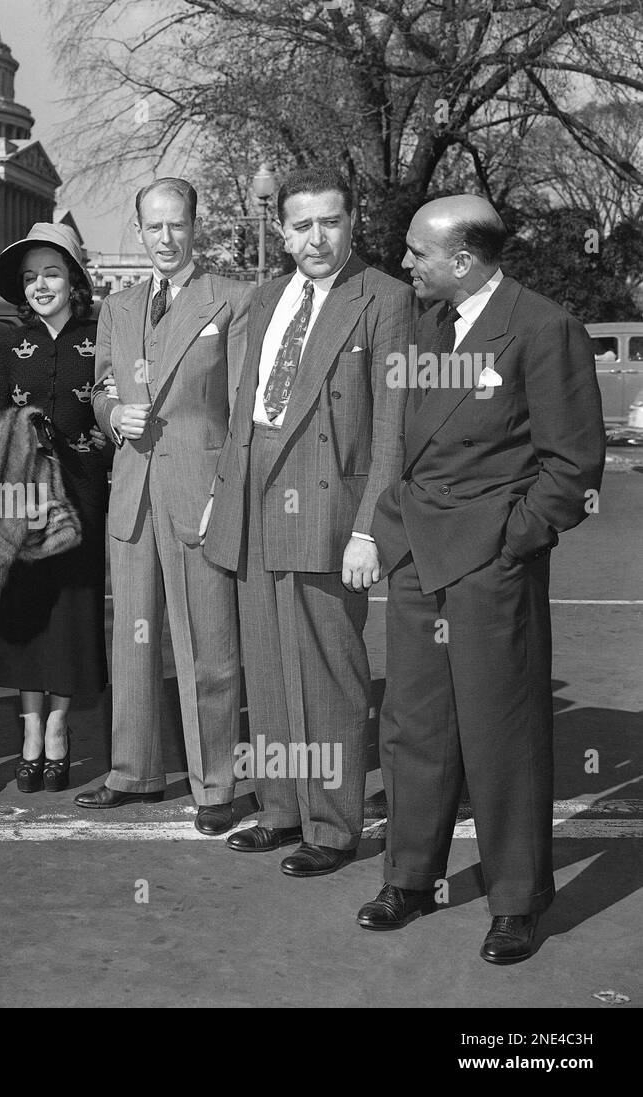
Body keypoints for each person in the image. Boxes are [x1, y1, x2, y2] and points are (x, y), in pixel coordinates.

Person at [358, 195, 605, 964]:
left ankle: (517, 899)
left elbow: (572, 467)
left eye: (417, 253)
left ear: (463, 260)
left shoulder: (544, 328)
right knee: (413, 727)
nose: (406, 263)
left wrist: (511, 542)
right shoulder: (427, 323)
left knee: (504, 737)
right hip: (418, 557)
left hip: (491, 568)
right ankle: (410, 876)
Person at [204, 167, 416, 876]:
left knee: (328, 670)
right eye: (301, 225)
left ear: (353, 220)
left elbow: (391, 428)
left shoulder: (386, 298)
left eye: (329, 221)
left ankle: (331, 822)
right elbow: (249, 405)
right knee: (265, 665)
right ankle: (281, 805)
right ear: (283, 230)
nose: (316, 237)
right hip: (254, 495)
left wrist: (369, 528)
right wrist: (222, 493)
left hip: (327, 504)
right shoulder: (266, 297)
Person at [76, 178, 253, 835]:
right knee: (133, 640)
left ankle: (215, 787)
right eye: (154, 227)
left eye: (177, 224)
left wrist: (224, 496)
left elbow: (242, 416)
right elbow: (101, 384)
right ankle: (133, 770)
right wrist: (110, 410)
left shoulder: (232, 300)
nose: (166, 238)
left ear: (195, 224)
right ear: (140, 230)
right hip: (132, 490)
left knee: (207, 646)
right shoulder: (118, 306)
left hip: (196, 495)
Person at [0, 223, 109, 793]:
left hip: (82, 502)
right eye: (30, 277)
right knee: (26, 622)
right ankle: (29, 733)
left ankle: (59, 728)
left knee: (70, 623)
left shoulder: (102, 334)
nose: (40, 286)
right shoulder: (6, 344)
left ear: (75, 280)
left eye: (52, 273)